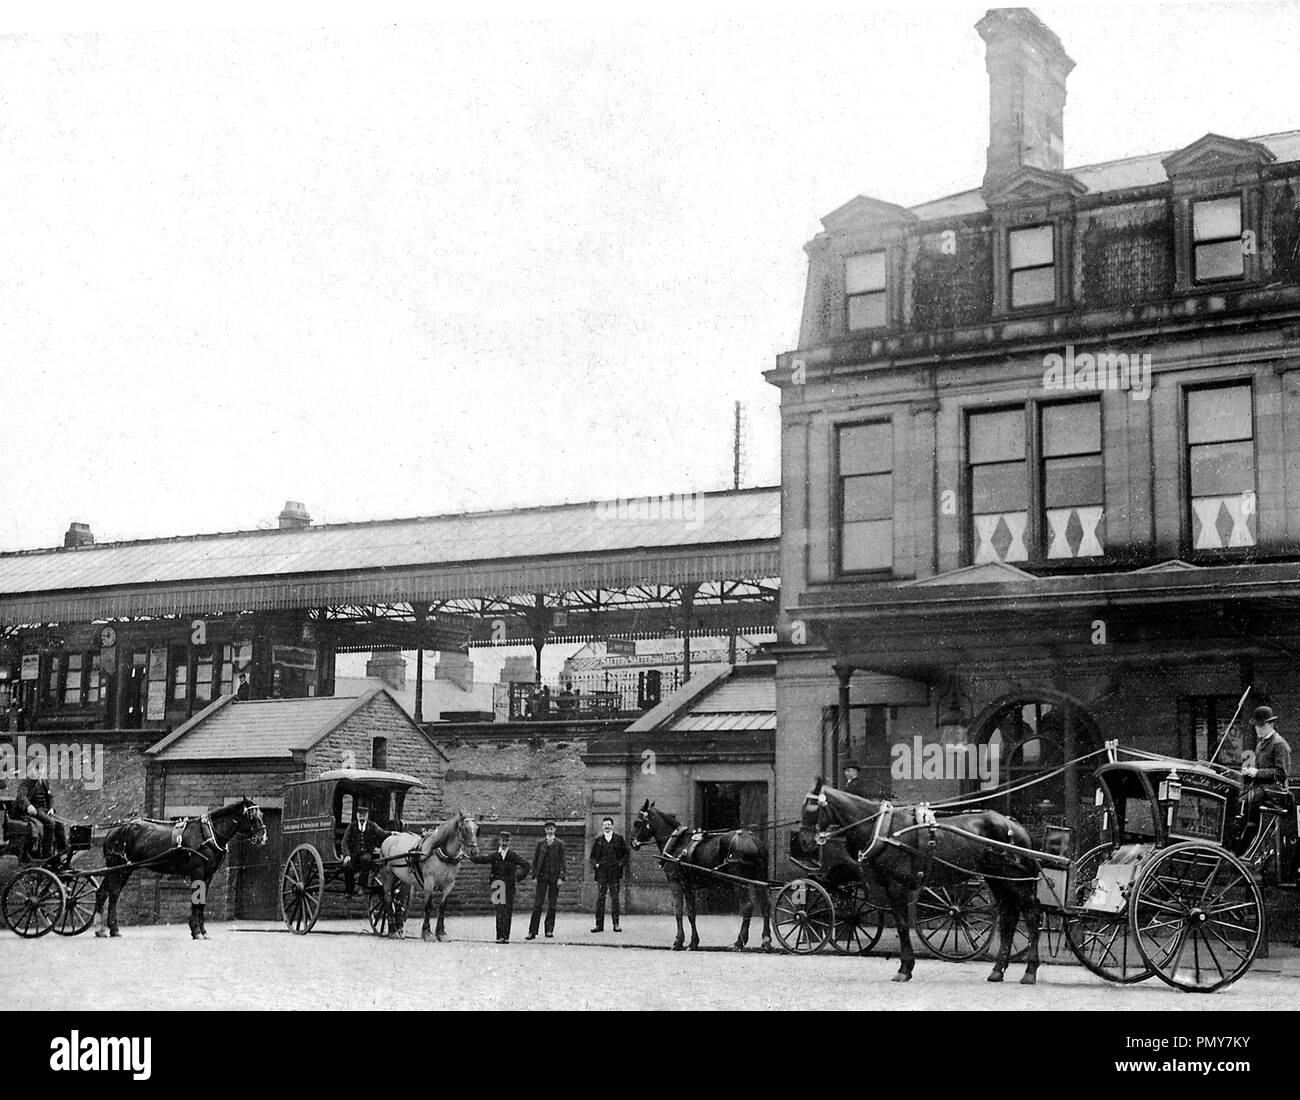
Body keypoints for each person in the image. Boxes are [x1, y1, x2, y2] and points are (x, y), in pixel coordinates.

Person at [1240, 706, 1292, 849]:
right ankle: (1241, 841)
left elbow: (1282, 774)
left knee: (1247, 801)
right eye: (1257, 726)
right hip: (1262, 789)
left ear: (1270, 724)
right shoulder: (1260, 745)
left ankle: (1247, 843)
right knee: (1239, 800)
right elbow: (1258, 768)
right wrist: (1249, 771)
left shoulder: (1279, 744)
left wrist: (1257, 772)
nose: (1259, 729)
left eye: (1261, 725)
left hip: (1275, 791)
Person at [471, 831, 529, 942]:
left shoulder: (513, 855)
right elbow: (483, 860)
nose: (504, 843)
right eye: (502, 840)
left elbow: (526, 865)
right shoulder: (494, 855)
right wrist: (470, 857)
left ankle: (506, 936)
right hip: (497, 886)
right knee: (499, 910)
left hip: (509, 887)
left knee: (507, 910)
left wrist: (517, 877)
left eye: (506, 841)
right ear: (499, 841)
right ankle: (499, 936)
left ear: (509, 842)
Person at [14, 757, 66, 860]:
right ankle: (47, 853)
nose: (40, 771)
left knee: (60, 824)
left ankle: (62, 850)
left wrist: (51, 808)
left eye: (42, 769)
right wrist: (29, 805)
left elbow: (50, 796)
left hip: (44, 809)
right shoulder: (26, 781)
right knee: (50, 823)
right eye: (38, 769)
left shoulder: (44, 781)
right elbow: (21, 796)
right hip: (34, 810)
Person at [526, 821, 566, 940]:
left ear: (555, 830)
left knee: (552, 904)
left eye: (552, 828)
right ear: (545, 830)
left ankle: (549, 930)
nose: (550, 831)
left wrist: (561, 877)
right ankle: (532, 931)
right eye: (548, 829)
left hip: (554, 877)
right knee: (538, 904)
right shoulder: (540, 843)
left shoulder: (559, 844)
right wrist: (534, 875)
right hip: (542, 877)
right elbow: (535, 860)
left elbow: (563, 862)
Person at [589, 816, 630, 933]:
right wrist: (596, 864)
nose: (607, 826)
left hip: (614, 873)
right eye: (605, 825)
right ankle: (598, 925)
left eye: (609, 824)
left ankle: (616, 924)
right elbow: (592, 857)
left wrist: (621, 864)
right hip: (602, 872)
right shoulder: (598, 840)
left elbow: (626, 854)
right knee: (601, 898)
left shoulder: (619, 839)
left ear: (612, 826)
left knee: (615, 898)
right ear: (602, 826)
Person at [342, 800, 390, 896]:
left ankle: (361, 886)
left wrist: (392, 833)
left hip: (366, 853)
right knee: (347, 866)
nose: (362, 818)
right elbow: (345, 842)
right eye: (360, 816)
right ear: (357, 816)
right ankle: (349, 890)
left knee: (366, 859)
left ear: (367, 816)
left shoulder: (372, 826)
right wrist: (347, 855)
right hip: (353, 854)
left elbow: (382, 833)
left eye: (364, 816)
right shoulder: (352, 827)